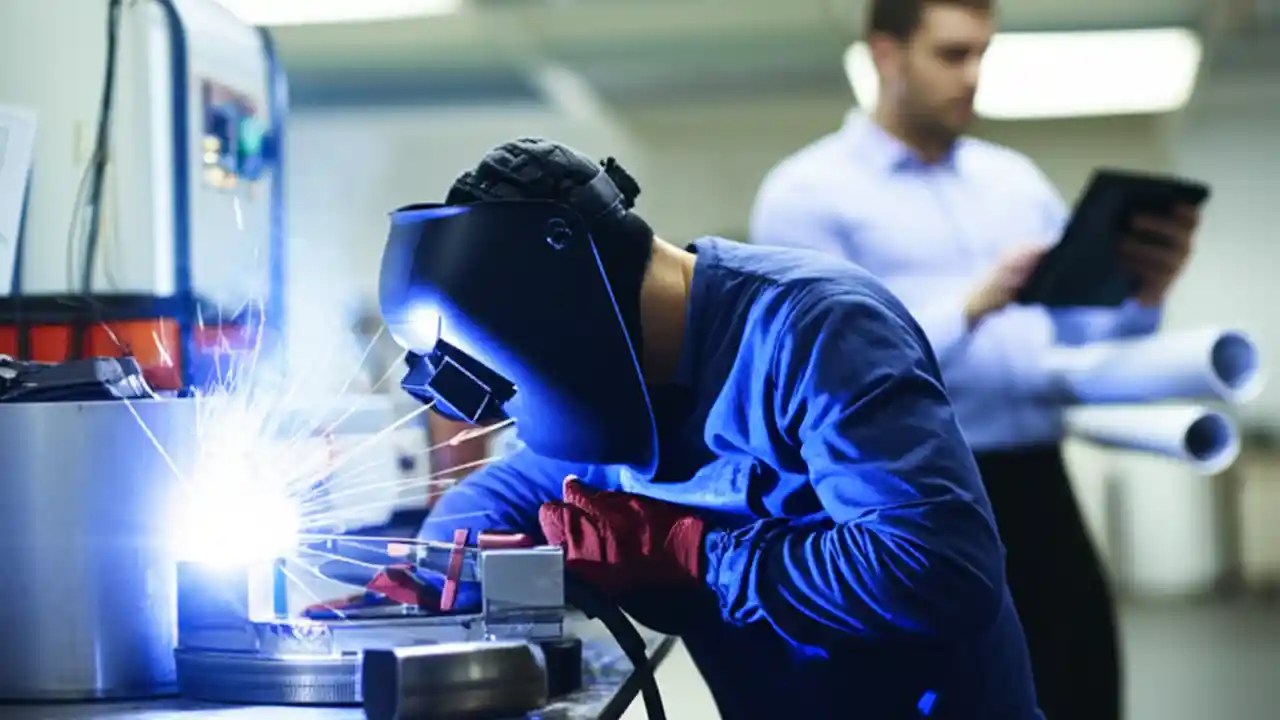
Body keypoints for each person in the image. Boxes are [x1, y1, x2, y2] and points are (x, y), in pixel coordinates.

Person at [378, 137, 1043, 718]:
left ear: (563, 324)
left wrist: (695, 555)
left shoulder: (818, 330)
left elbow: (938, 570)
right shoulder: (610, 389)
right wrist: (435, 572)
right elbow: (497, 499)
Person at [748, 2, 1200, 718]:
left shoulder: (1013, 181)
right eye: (952, 54)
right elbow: (819, 369)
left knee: (1082, 690)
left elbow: (1079, 336)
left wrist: (1142, 291)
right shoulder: (806, 196)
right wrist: (970, 305)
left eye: (983, 54)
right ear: (887, 55)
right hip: (910, 503)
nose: (973, 76)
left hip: (1040, 484)